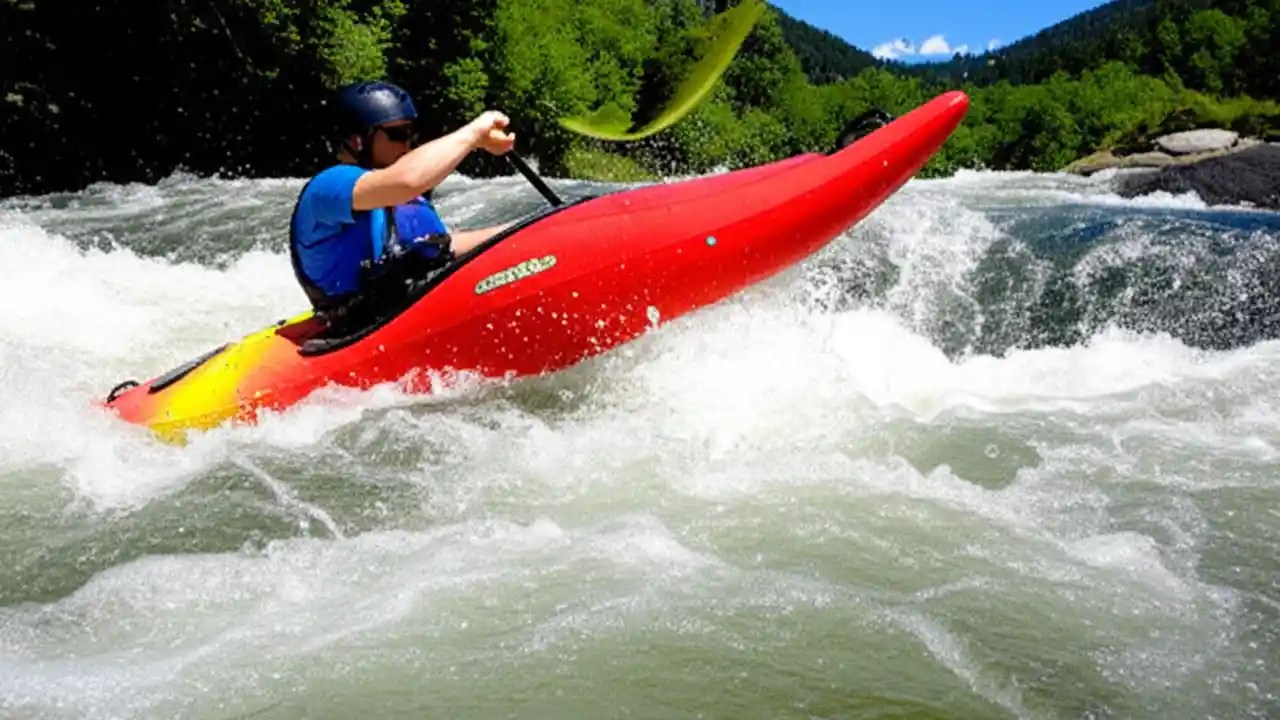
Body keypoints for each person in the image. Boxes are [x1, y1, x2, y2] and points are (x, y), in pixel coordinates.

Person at [289, 80, 516, 333]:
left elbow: (439, 247)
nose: (408, 144)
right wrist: (473, 135)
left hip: (414, 310)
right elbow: (407, 181)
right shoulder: (328, 186)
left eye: (410, 133)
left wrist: (520, 231)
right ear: (357, 140)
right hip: (359, 328)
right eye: (398, 134)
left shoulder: (405, 200)